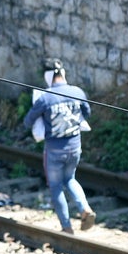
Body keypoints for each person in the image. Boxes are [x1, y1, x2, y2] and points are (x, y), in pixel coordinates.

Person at [23, 60, 97, 234]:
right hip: (74, 147)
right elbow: (87, 113)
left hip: (54, 149)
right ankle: (84, 208)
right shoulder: (77, 92)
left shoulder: (45, 98)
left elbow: (28, 121)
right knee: (70, 179)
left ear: (48, 76)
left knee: (56, 187)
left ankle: (66, 226)